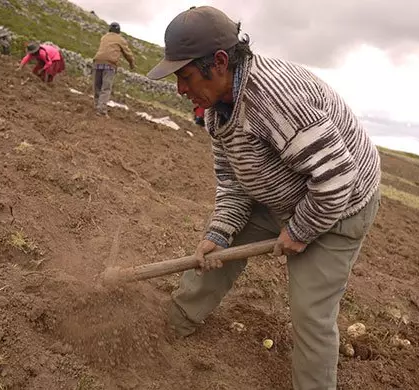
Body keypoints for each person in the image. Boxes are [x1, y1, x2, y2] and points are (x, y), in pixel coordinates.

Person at [147, 6, 381, 390]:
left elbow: (337, 176)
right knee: (214, 257)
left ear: (220, 62)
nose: (180, 89)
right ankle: (172, 325)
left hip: (340, 203)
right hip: (283, 192)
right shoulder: (217, 110)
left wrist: (301, 229)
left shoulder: (275, 99)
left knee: (310, 313)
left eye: (185, 76)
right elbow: (233, 181)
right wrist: (220, 232)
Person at [92, 22, 136, 117]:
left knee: (97, 85)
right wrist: (132, 63)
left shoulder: (104, 37)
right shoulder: (120, 39)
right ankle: (101, 110)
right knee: (106, 87)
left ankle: (96, 105)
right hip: (110, 64)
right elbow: (127, 53)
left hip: (98, 62)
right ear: (119, 31)